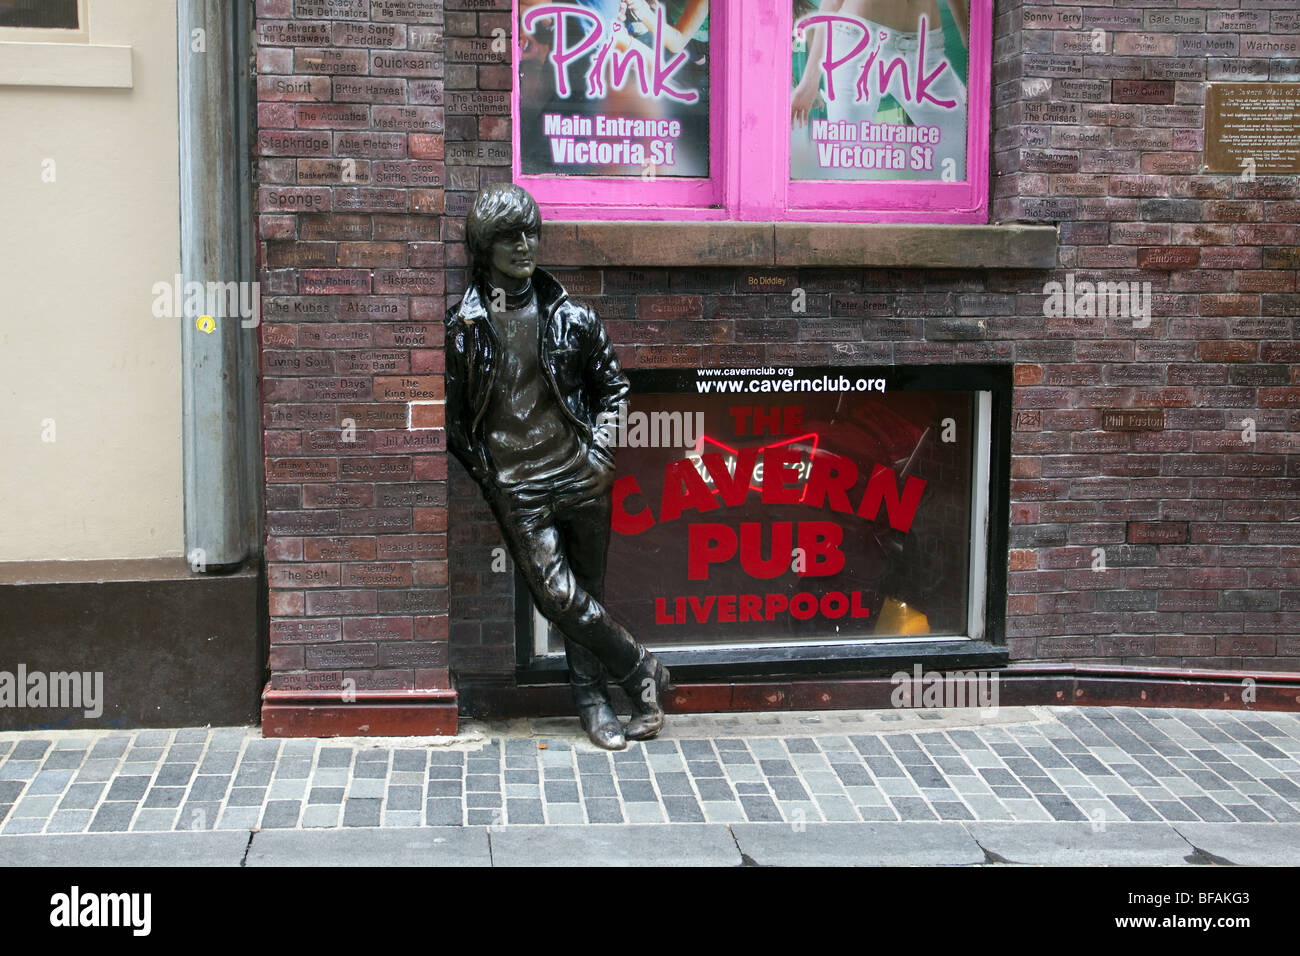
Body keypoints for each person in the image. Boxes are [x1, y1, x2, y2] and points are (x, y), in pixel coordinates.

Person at [444, 183, 672, 750]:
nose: (525, 245)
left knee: (585, 595)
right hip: (518, 484)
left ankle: (594, 704)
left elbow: (613, 389)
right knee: (558, 597)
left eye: (531, 233)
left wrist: (599, 451)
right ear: (483, 247)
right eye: (509, 236)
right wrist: (490, 475)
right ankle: (641, 670)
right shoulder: (464, 331)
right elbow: (451, 422)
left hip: (580, 474)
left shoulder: (571, 317)